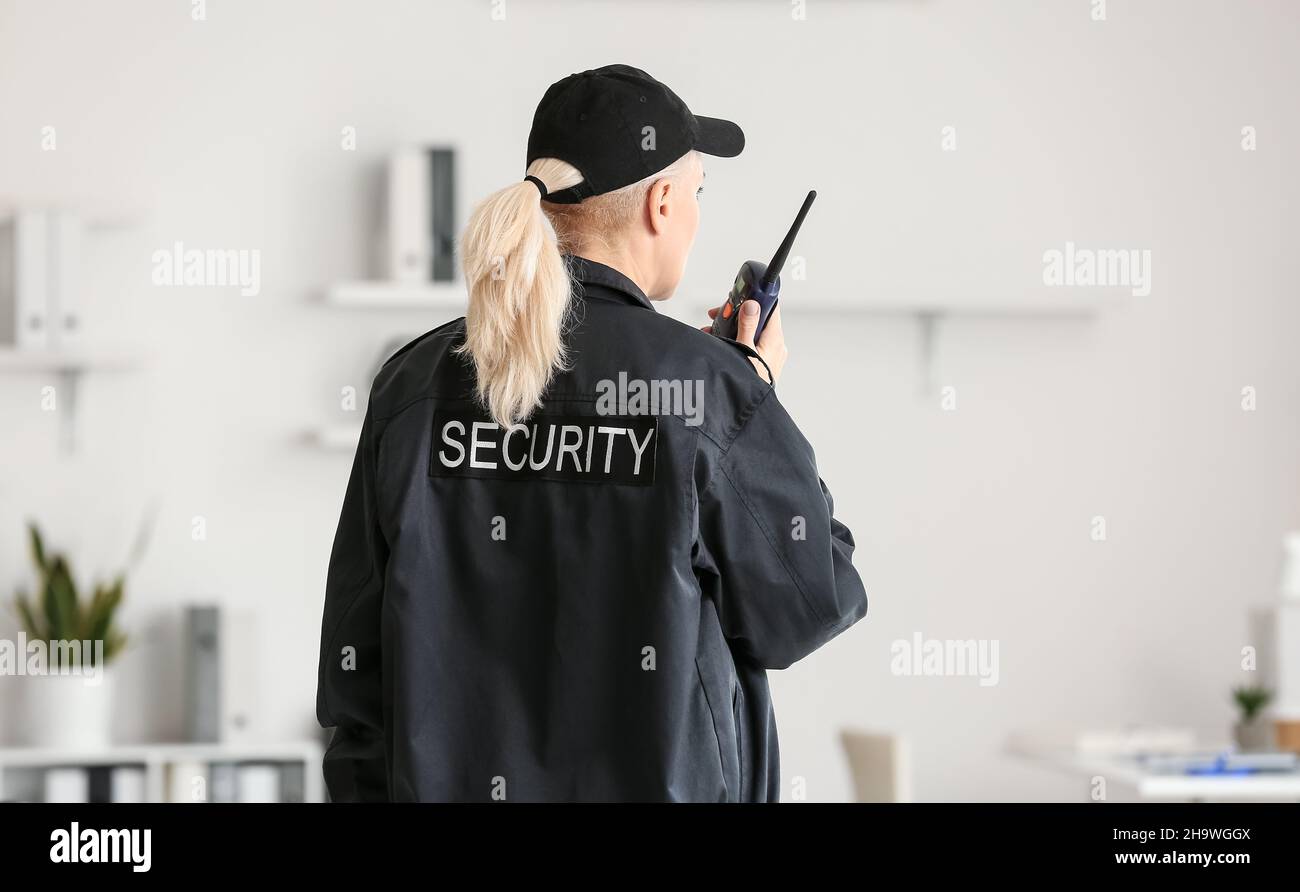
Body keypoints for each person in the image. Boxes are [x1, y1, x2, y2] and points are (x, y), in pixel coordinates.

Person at [316, 64, 868, 802]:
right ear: (662, 204)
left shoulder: (411, 384)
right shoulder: (707, 393)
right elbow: (810, 603)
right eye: (697, 193)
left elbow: (357, 683)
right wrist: (753, 397)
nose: (695, 216)